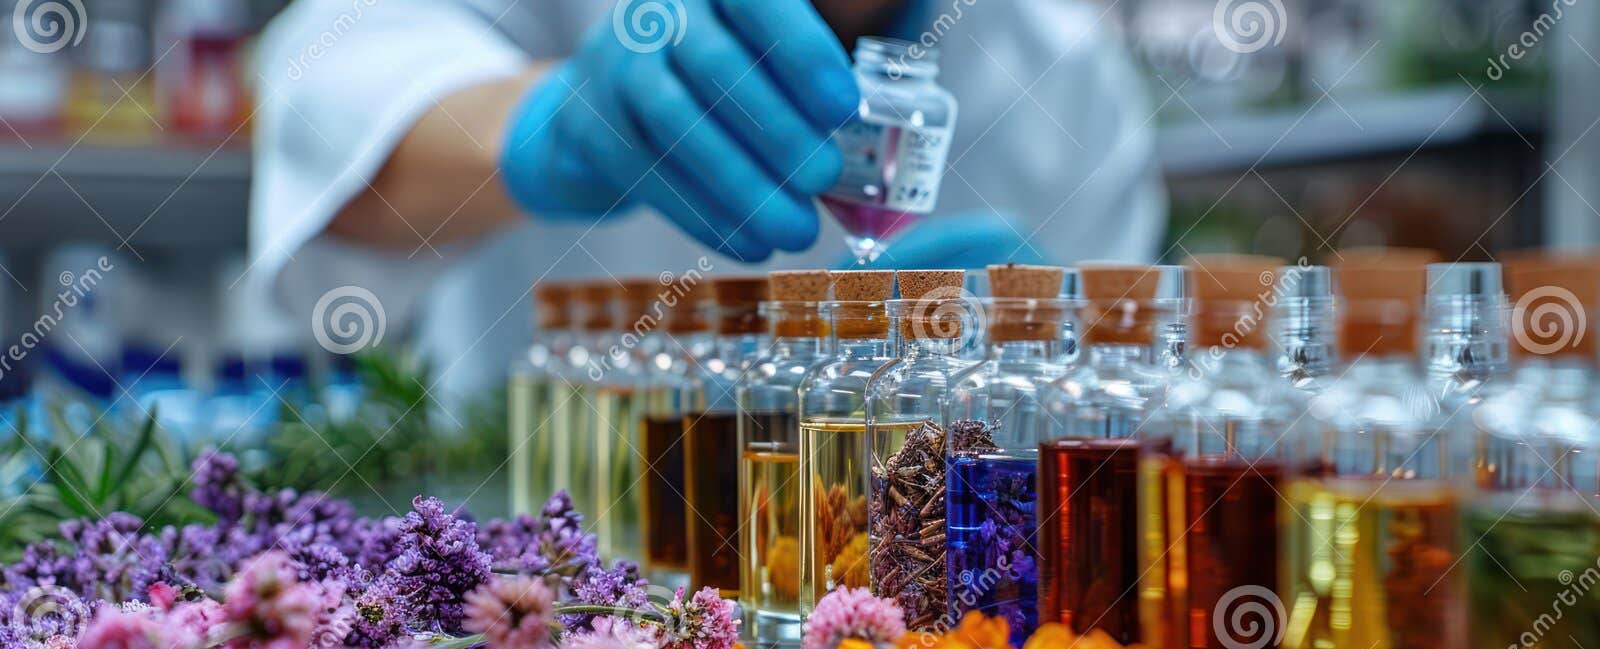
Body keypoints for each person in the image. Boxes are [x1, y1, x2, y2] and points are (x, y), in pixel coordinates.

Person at [251, 0, 1166, 404]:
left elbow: (1109, 414)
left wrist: (1042, 353)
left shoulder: (1067, 67)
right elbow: (324, 93)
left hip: (912, 621)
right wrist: (554, 130)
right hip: (540, 584)